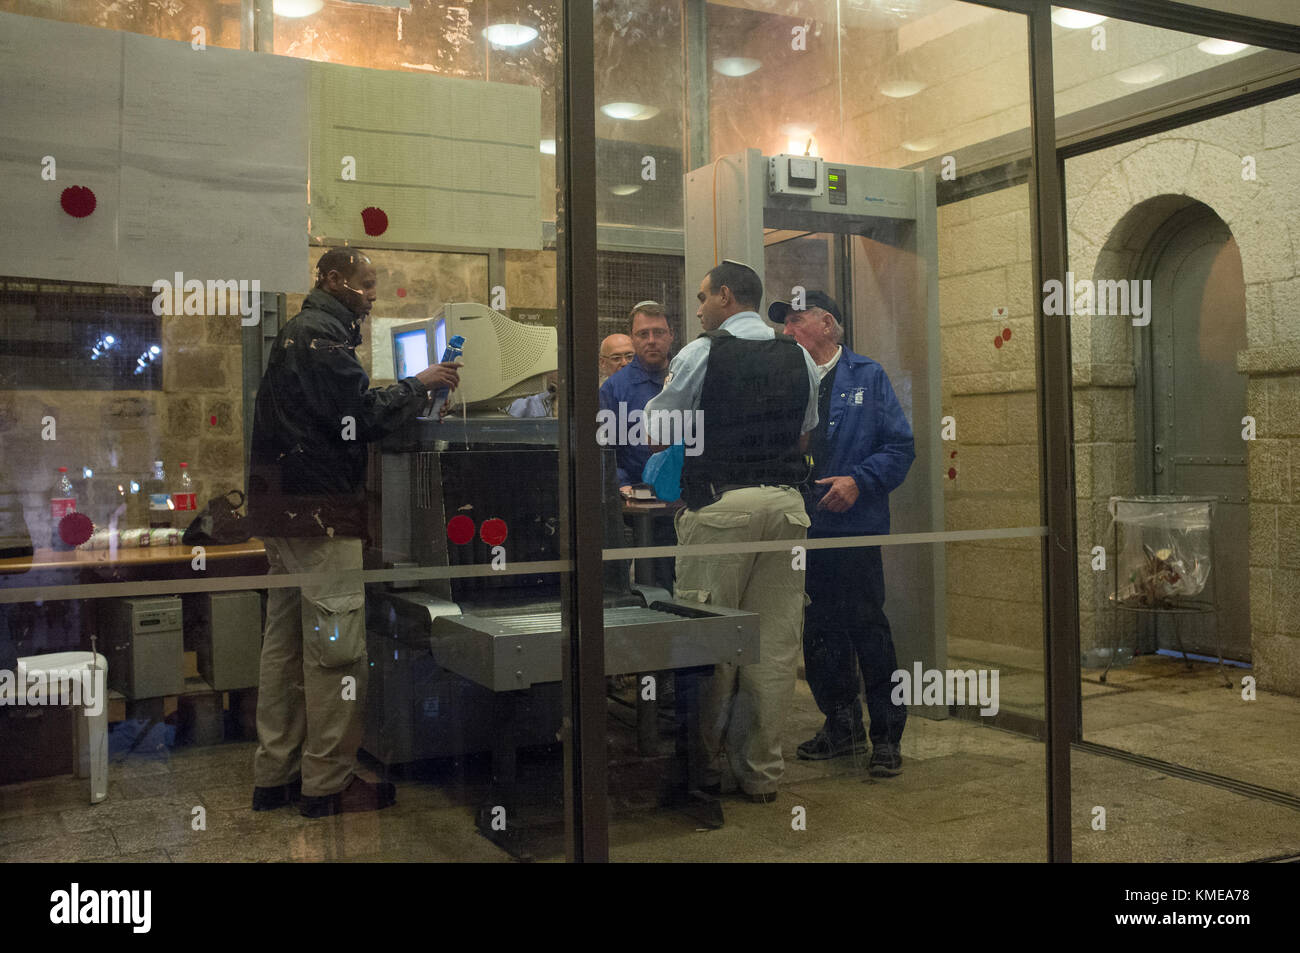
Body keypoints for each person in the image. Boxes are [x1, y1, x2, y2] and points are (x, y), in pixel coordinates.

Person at [246, 247, 461, 817]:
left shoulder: (302, 332)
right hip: (321, 514)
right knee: (336, 651)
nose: (372, 296)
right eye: (366, 286)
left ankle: (276, 773)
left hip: (283, 514)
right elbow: (360, 417)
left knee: (285, 646)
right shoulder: (322, 337)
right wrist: (418, 384)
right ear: (335, 280)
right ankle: (327, 784)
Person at [646, 260, 819, 803]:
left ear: (725, 296)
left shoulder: (704, 350)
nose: (697, 309)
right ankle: (762, 775)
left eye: (701, 298)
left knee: (711, 643)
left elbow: (656, 429)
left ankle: (704, 773)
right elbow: (804, 438)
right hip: (787, 509)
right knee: (773, 650)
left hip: (721, 508)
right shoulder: (799, 355)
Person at [771, 291, 915, 777]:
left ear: (827, 324)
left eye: (795, 320)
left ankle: (887, 737)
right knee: (819, 630)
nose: (787, 331)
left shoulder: (866, 376)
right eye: (783, 324)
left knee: (867, 628)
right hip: (803, 526)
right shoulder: (786, 379)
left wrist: (861, 481)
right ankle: (840, 724)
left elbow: (899, 447)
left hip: (852, 529)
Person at [600, 300, 675, 589]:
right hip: (642, 511)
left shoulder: (686, 376)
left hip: (689, 503)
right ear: (633, 338)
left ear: (671, 335)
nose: (652, 340)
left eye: (659, 332)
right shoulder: (615, 388)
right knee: (655, 589)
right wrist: (622, 486)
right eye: (643, 334)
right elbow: (606, 453)